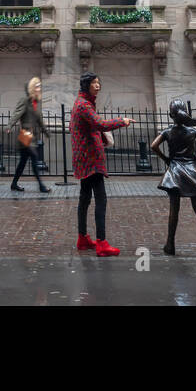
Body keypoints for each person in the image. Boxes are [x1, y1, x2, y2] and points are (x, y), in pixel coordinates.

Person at [70, 72, 133, 257]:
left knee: (84, 198)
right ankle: (101, 243)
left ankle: (82, 238)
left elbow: (88, 127)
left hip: (84, 157)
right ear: (86, 85)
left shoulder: (82, 103)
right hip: (90, 159)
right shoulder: (84, 105)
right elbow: (100, 124)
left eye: (98, 82)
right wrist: (122, 121)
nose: (98, 85)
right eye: (94, 83)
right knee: (101, 199)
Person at [150, 99, 196, 257]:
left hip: (175, 171)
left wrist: (166, 159)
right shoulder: (192, 131)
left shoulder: (167, 132)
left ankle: (170, 244)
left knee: (174, 209)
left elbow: (153, 146)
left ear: (170, 115)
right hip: (191, 170)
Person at [9, 77, 50, 193]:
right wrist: (9, 126)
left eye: (39, 86)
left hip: (32, 137)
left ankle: (14, 184)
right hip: (25, 136)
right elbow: (17, 114)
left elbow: (40, 121)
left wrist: (46, 132)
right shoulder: (25, 101)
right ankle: (41, 186)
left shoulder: (35, 103)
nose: (39, 88)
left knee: (23, 162)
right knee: (34, 158)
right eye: (37, 86)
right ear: (31, 88)